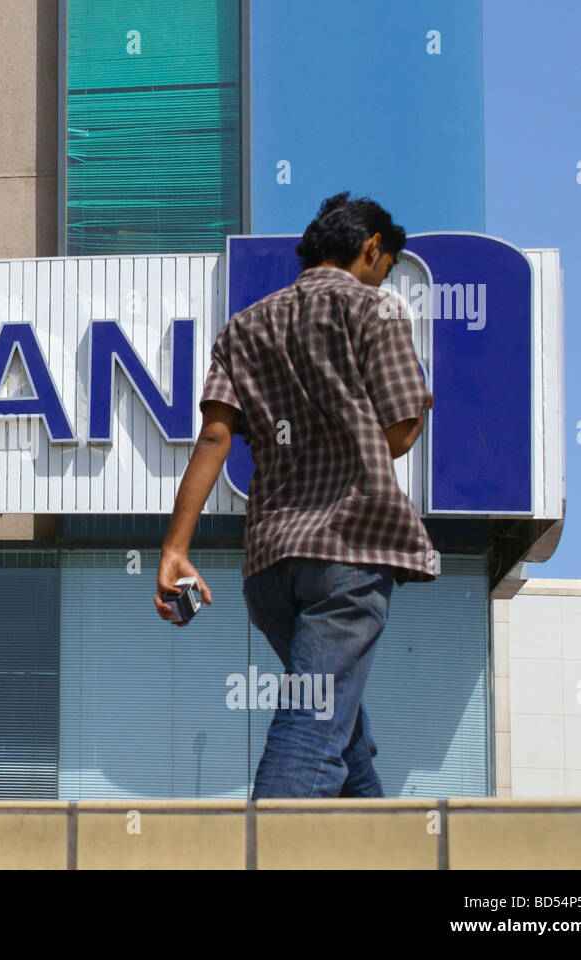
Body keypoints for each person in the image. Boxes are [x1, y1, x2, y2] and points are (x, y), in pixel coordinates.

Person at [153, 192, 438, 799]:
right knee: (314, 725)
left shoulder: (243, 328)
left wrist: (175, 548)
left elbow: (214, 436)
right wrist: (350, 441)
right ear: (371, 249)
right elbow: (401, 426)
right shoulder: (376, 310)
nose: (382, 277)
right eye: (384, 266)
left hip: (271, 571)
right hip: (349, 551)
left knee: (339, 727)